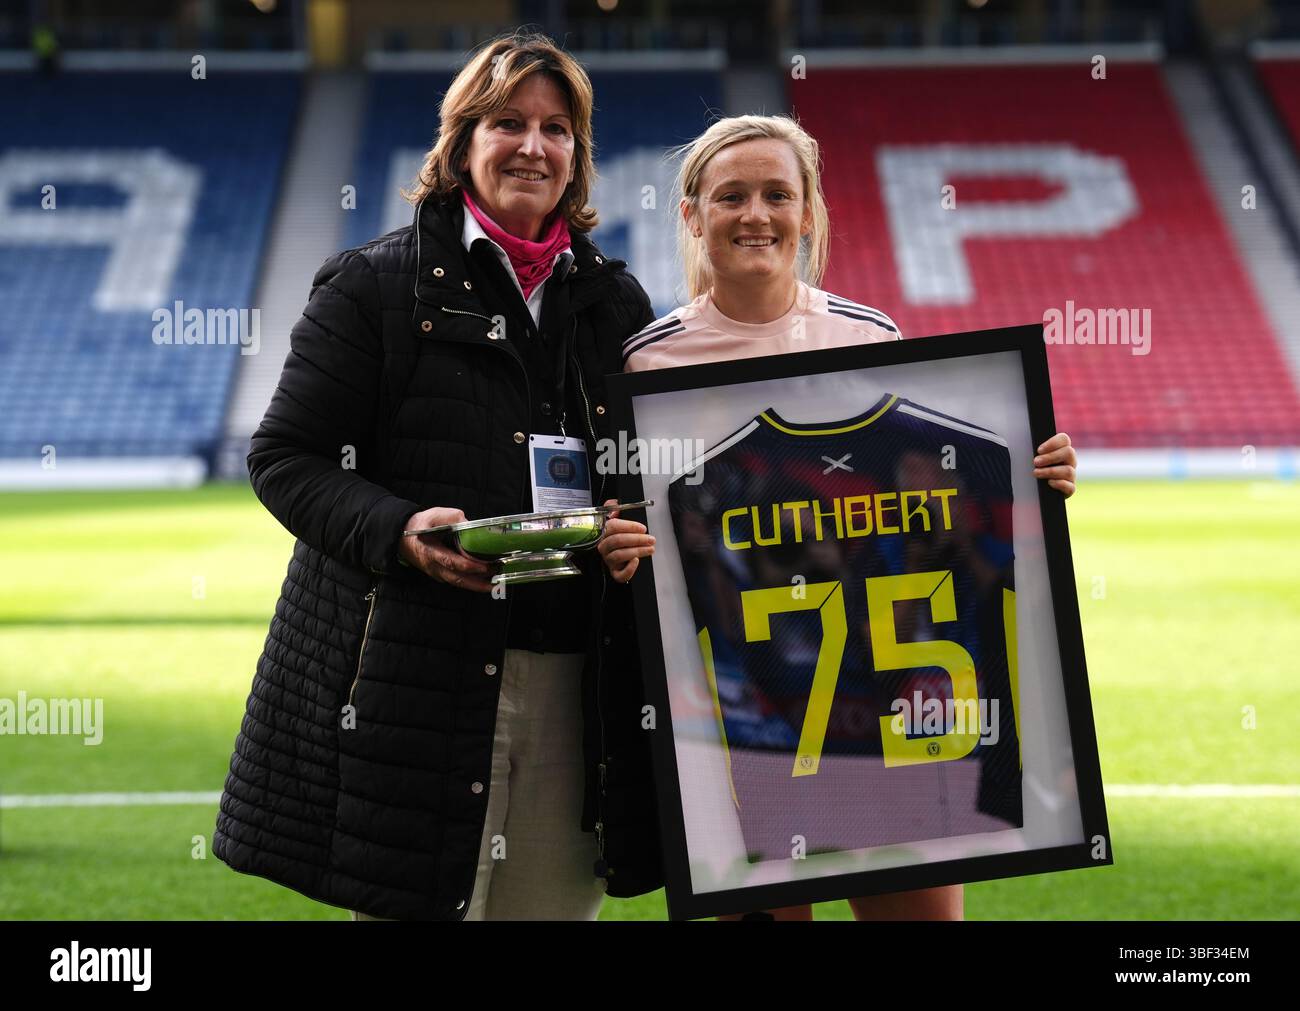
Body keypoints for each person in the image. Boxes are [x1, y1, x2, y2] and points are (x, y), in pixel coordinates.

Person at [213, 32, 662, 921]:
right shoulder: (373, 285)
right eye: (507, 123)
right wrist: (399, 532)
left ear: (578, 156)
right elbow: (284, 458)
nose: (533, 146)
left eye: (556, 128)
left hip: (581, 685)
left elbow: (638, 472)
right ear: (461, 144)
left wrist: (629, 530)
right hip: (421, 677)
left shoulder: (617, 301)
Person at [597, 114, 1077, 921]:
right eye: (732, 196)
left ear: (809, 212)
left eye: (778, 194)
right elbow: (648, 548)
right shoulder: (647, 361)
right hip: (736, 718)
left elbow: (934, 510)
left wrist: (1028, 482)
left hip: (879, 706)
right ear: (691, 215)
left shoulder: (868, 335)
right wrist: (622, 547)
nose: (756, 214)